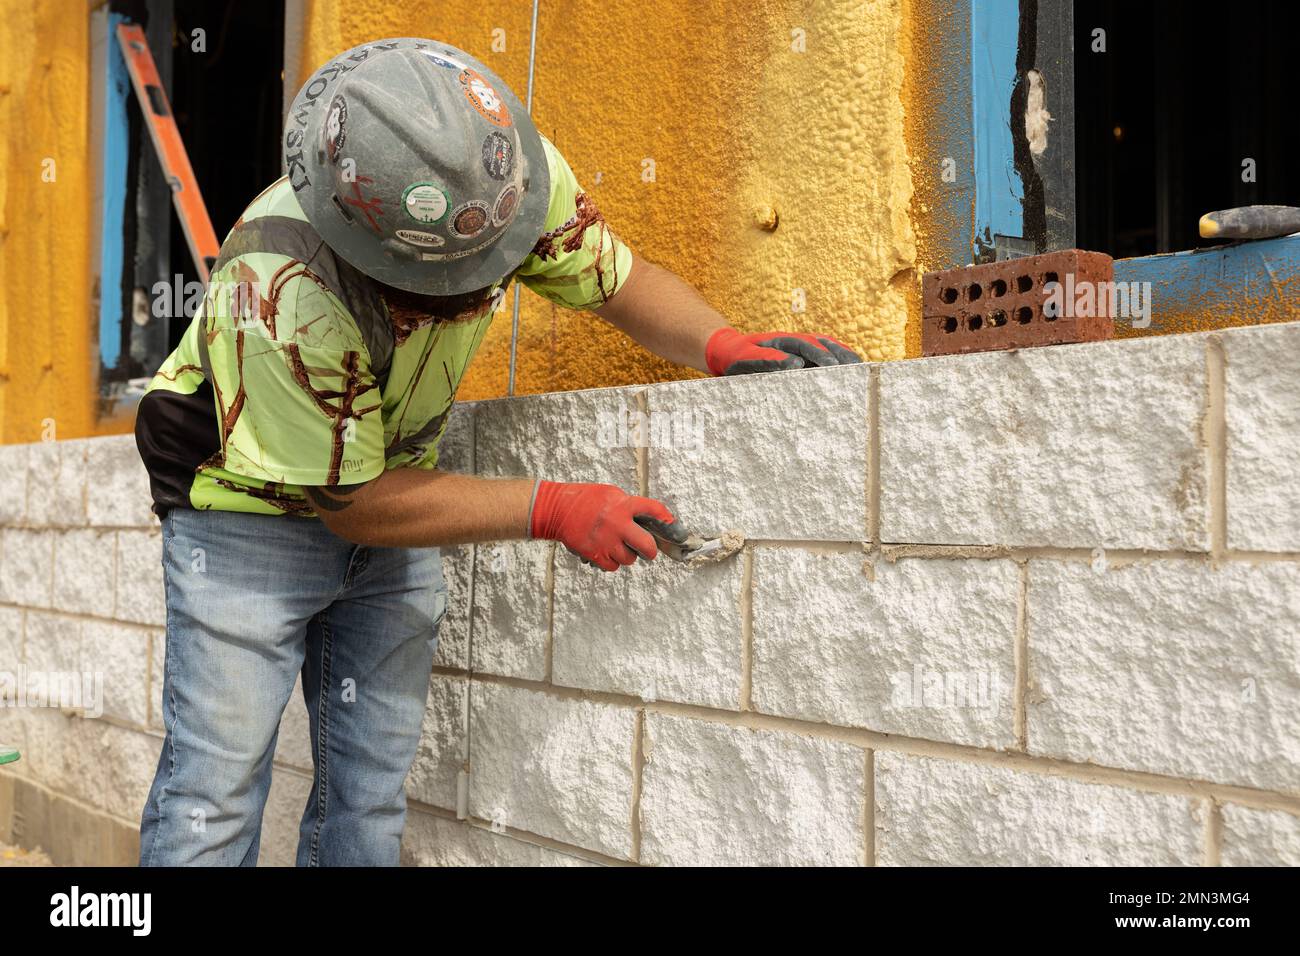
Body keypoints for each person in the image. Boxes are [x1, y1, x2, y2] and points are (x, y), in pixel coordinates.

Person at [133, 37, 860, 866]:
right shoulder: (282, 284)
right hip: (244, 517)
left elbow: (618, 284)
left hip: (393, 496)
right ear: (369, 246)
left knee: (366, 796)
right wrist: (552, 508)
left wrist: (722, 343)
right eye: (446, 282)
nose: (481, 289)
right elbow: (357, 504)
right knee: (216, 795)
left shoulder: (500, 177)